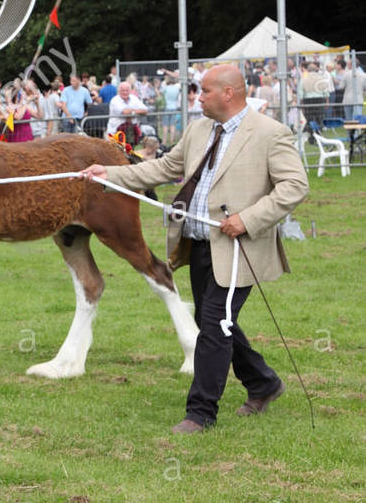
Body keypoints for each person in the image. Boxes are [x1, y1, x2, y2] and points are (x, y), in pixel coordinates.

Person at [79, 64, 308, 435]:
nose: (196, 97)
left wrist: (248, 219)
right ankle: (264, 382)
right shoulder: (199, 129)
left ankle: (200, 413)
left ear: (228, 93)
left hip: (239, 247)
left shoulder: (270, 133)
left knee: (215, 324)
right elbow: (166, 167)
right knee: (213, 320)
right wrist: (112, 175)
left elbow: (294, 186)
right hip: (200, 244)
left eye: (203, 91)